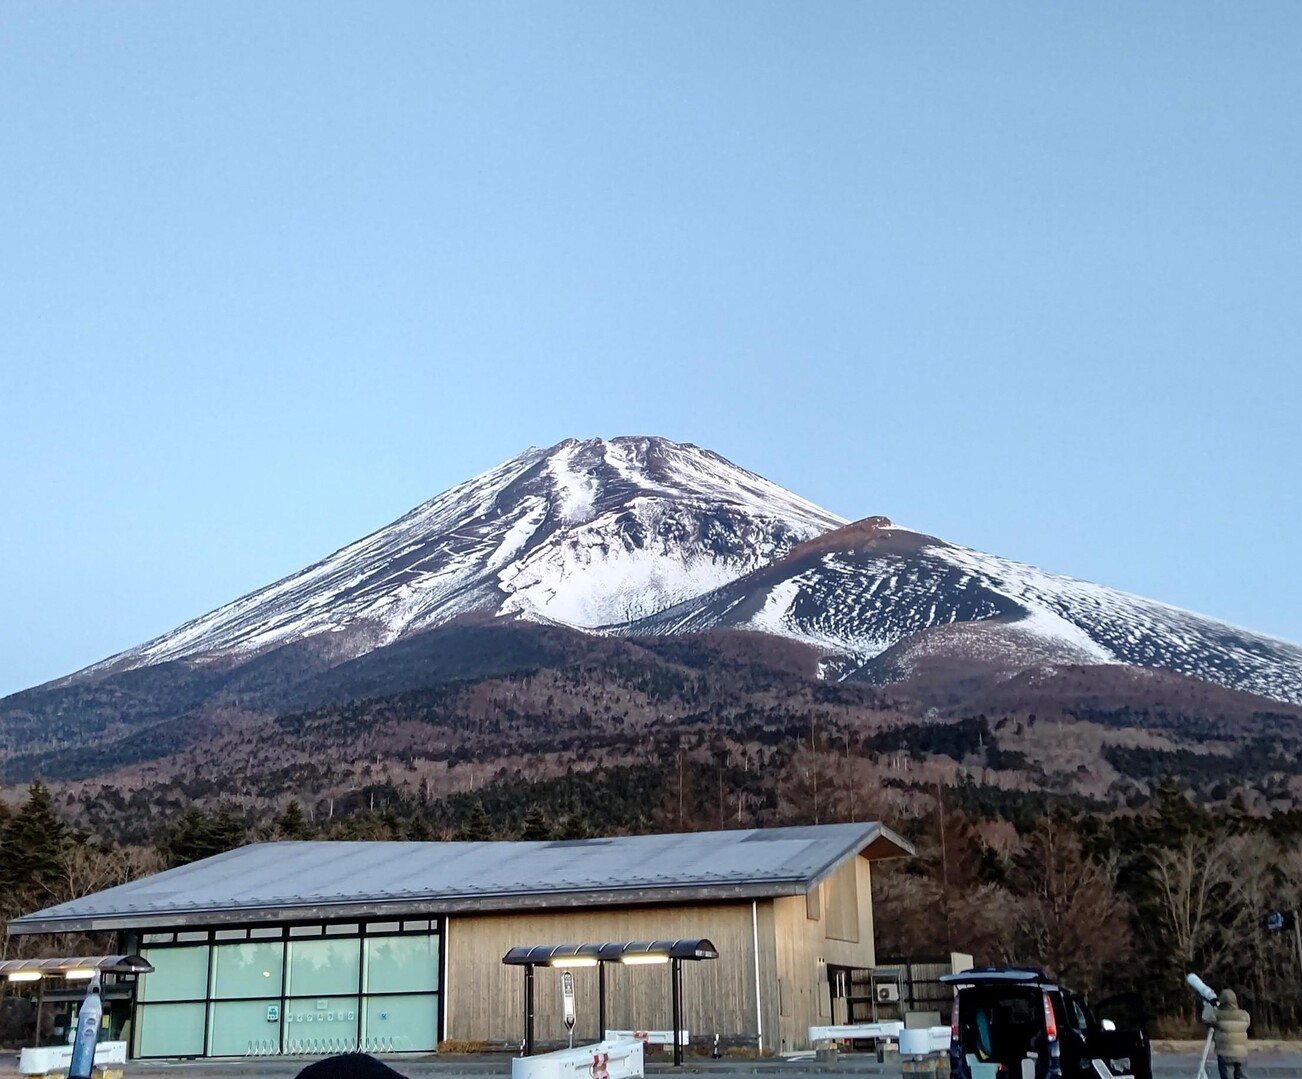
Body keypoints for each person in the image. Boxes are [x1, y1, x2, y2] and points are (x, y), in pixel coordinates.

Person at [1209, 988, 1251, 1079]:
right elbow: (1247, 1023)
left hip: (1225, 1053)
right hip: (1241, 1054)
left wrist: (1211, 1005)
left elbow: (1206, 1018)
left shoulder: (1217, 1015)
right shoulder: (1244, 1015)